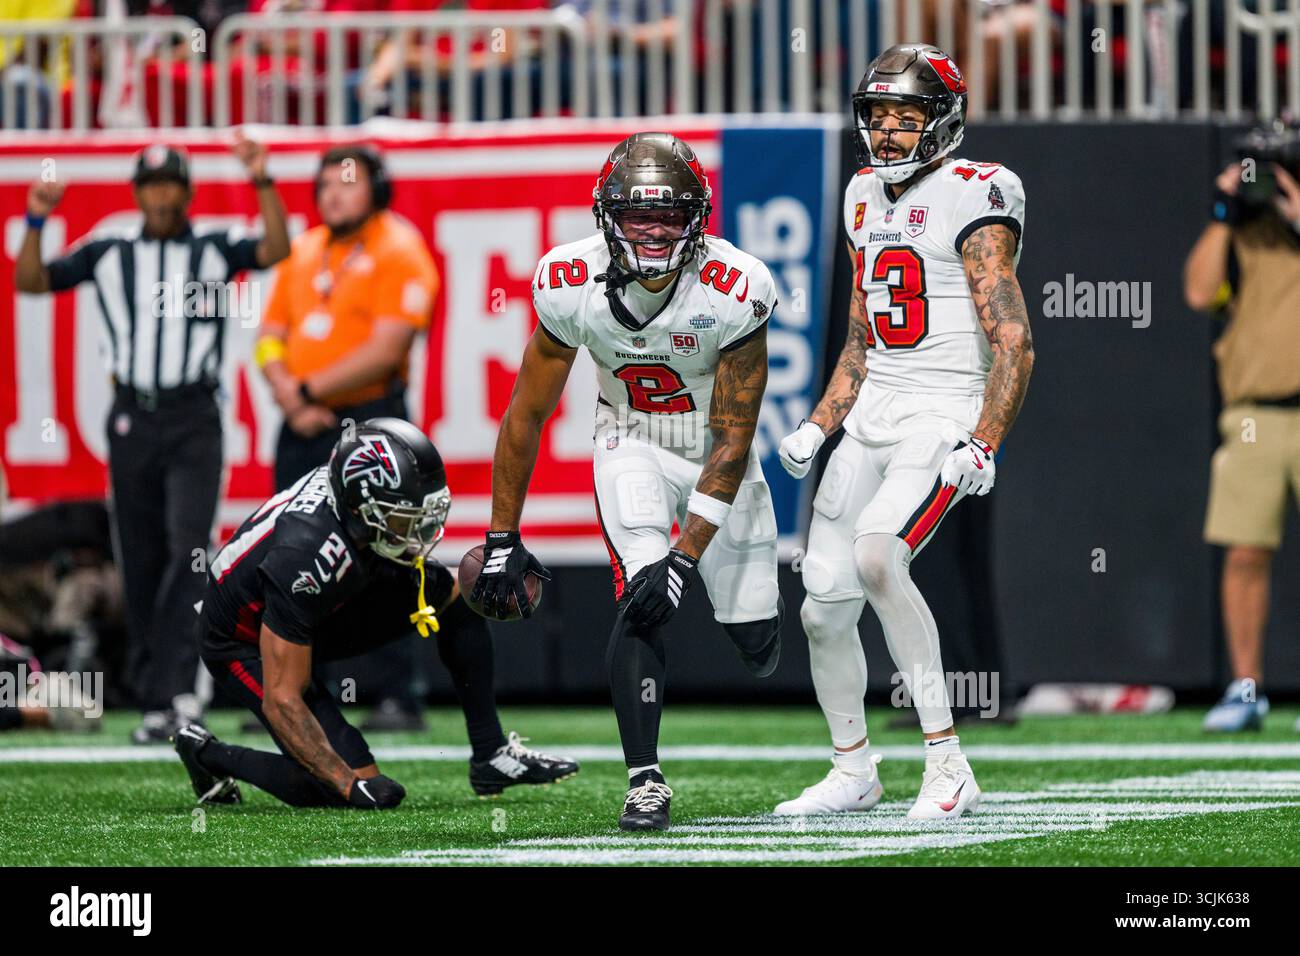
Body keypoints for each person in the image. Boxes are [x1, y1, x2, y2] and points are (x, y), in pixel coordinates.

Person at [474, 132, 781, 832]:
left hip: (711, 449)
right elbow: (526, 413)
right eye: (637, 215)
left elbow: (733, 438)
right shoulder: (568, 280)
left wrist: (687, 555)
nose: (651, 231)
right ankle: (645, 779)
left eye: (669, 216)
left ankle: (747, 621)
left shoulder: (735, 286)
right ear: (605, 216)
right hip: (630, 437)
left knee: (756, 640)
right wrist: (500, 534)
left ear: (696, 219)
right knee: (643, 598)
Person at [773, 43, 1033, 820]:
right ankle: (853, 768)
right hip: (874, 413)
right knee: (821, 604)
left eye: (906, 116)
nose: (887, 133)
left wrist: (983, 437)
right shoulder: (860, 195)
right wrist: (820, 426)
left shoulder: (978, 191)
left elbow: (1013, 336)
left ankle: (948, 764)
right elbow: (860, 335)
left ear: (943, 122)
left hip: (942, 411)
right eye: (877, 117)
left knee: (881, 556)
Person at [15, 134, 290, 744]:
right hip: (131, 420)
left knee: (187, 547)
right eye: (152, 185)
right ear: (138, 194)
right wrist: (36, 216)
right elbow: (31, 282)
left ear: (187, 193)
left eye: (172, 184)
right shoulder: (111, 252)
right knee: (139, 557)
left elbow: (276, 246)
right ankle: (155, 695)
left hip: (193, 416)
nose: (162, 196)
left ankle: (183, 691)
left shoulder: (214, 248)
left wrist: (262, 180)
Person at [175, 418, 578, 808]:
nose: (419, 531)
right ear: (365, 509)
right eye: (405, 518)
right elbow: (282, 701)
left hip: (325, 594)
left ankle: (490, 756)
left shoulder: (352, 513)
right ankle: (209, 754)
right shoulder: (304, 555)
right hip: (242, 637)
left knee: (455, 595)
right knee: (358, 788)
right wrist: (348, 783)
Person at [256, 144, 438, 729]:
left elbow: (387, 350)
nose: (333, 193)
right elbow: (267, 337)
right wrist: (289, 394)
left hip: (371, 421)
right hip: (301, 423)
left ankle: (393, 694)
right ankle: (300, 689)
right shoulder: (303, 249)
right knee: (291, 551)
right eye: (326, 183)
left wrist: (305, 392)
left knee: (385, 553)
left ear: (377, 190)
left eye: (349, 182)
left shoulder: (401, 249)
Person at [1183, 122, 1300, 734]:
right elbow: (1200, 292)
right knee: (1246, 551)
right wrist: (1224, 213)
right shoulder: (1241, 237)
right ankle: (1245, 686)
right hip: (1257, 412)